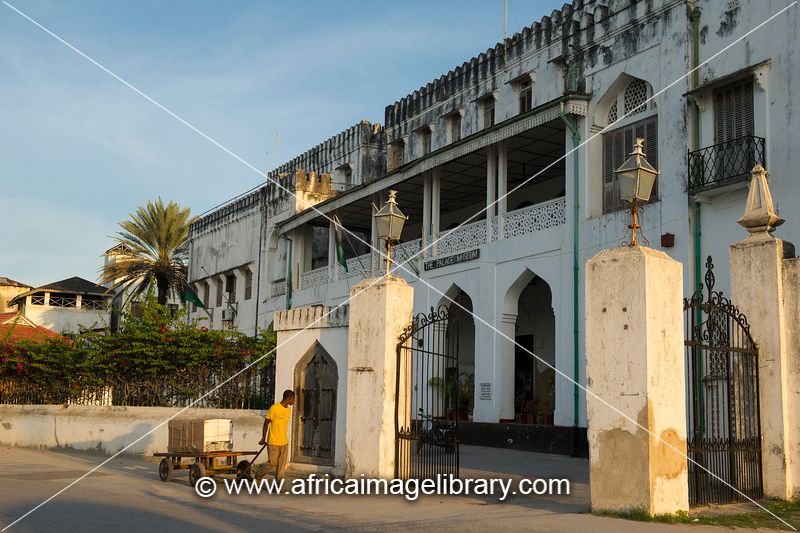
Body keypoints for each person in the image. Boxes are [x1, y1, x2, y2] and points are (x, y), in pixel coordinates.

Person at [257, 389, 295, 481]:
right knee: (272, 462)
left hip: (284, 442)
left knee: (281, 466)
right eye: (293, 399)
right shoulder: (274, 408)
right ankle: (258, 475)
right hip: (273, 442)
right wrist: (263, 438)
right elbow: (266, 424)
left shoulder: (289, 410)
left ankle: (278, 486)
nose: (294, 401)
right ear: (289, 399)